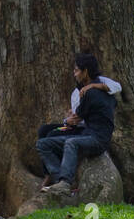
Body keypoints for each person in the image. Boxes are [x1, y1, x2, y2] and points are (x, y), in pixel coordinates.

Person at [35, 52, 116, 195]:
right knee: (43, 143)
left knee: (70, 143)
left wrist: (69, 118)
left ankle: (65, 182)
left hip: (98, 139)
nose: (74, 74)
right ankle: (59, 181)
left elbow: (77, 117)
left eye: (77, 70)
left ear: (85, 72)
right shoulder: (92, 89)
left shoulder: (91, 92)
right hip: (88, 133)